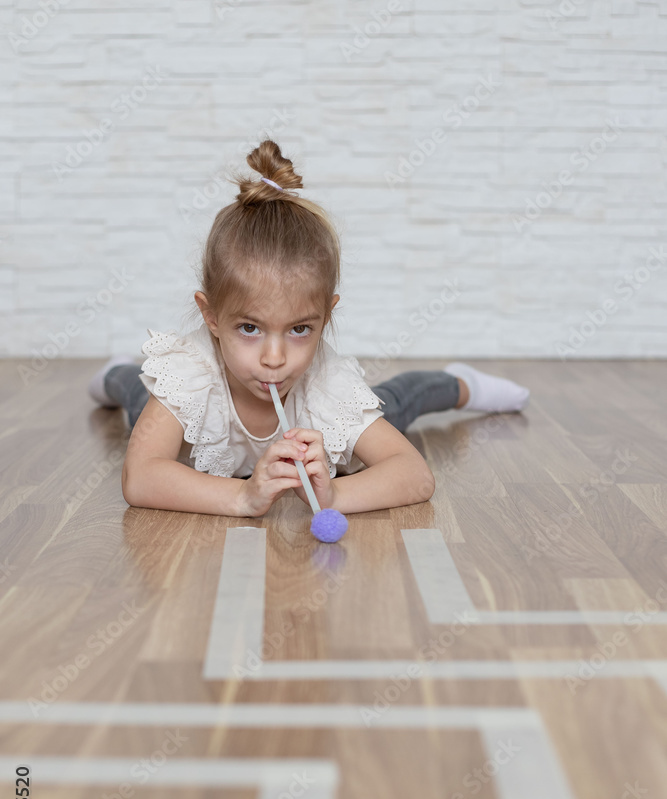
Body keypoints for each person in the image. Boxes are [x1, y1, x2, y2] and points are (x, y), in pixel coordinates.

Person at [88, 140, 529, 518]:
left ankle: (460, 383)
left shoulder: (323, 387)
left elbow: (414, 475)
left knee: (398, 402)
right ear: (211, 317)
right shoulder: (193, 375)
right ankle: (114, 373)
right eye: (249, 328)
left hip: (326, 407)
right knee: (137, 395)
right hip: (190, 408)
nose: (275, 358)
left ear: (327, 316)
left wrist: (336, 493)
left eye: (299, 329)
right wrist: (243, 496)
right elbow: (141, 478)